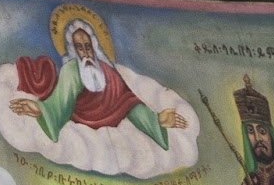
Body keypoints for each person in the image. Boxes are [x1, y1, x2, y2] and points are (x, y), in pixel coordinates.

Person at [10, 11, 187, 149]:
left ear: (94, 47)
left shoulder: (109, 74)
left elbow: (130, 103)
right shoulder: (71, 71)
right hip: (80, 135)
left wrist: (157, 121)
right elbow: (60, 103)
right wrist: (41, 110)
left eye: (88, 47)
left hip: (114, 139)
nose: (85, 52)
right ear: (73, 49)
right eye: (79, 47)